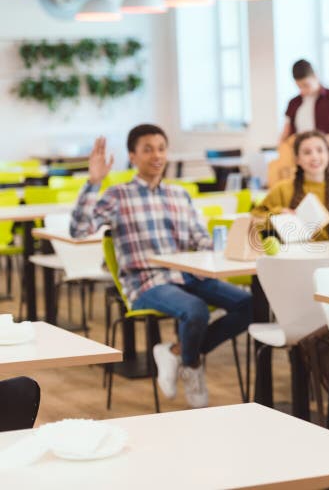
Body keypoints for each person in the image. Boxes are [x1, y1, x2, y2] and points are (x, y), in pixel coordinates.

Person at [70, 124, 253, 409]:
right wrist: (94, 183)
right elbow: (79, 231)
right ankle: (191, 365)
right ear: (132, 156)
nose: (156, 155)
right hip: (146, 282)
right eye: (147, 149)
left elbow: (201, 239)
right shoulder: (118, 195)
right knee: (195, 310)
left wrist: (229, 248)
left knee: (251, 305)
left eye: (161, 148)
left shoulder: (180, 195)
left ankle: (176, 351)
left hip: (189, 276)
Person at [253, 130, 329, 241]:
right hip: (291, 257)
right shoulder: (282, 190)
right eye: (307, 152)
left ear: (328, 154)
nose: (314, 157)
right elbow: (255, 219)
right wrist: (278, 214)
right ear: (297, 159)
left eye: (320, 150)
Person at [280, 60, 329, 179]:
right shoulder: (293, 103)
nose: (303, 90)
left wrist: (314, 143)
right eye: (299, 86)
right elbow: (284, 136)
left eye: (306, 85)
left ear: (315, 76)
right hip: (300, 170)